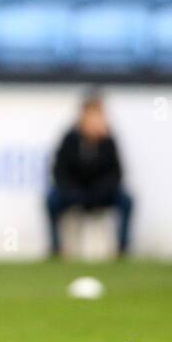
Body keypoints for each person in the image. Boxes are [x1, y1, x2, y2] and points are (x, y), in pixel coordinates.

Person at [45, 93, 132, 259]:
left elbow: (116, 174)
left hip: (101, 195)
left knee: (126, 200)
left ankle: (122, 249)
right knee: (52, 200)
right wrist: (73, 193)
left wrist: (100, 193)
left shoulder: (108, 142)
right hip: (74, 193)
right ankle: (56, 249)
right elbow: (60, 172)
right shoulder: (70, 139)